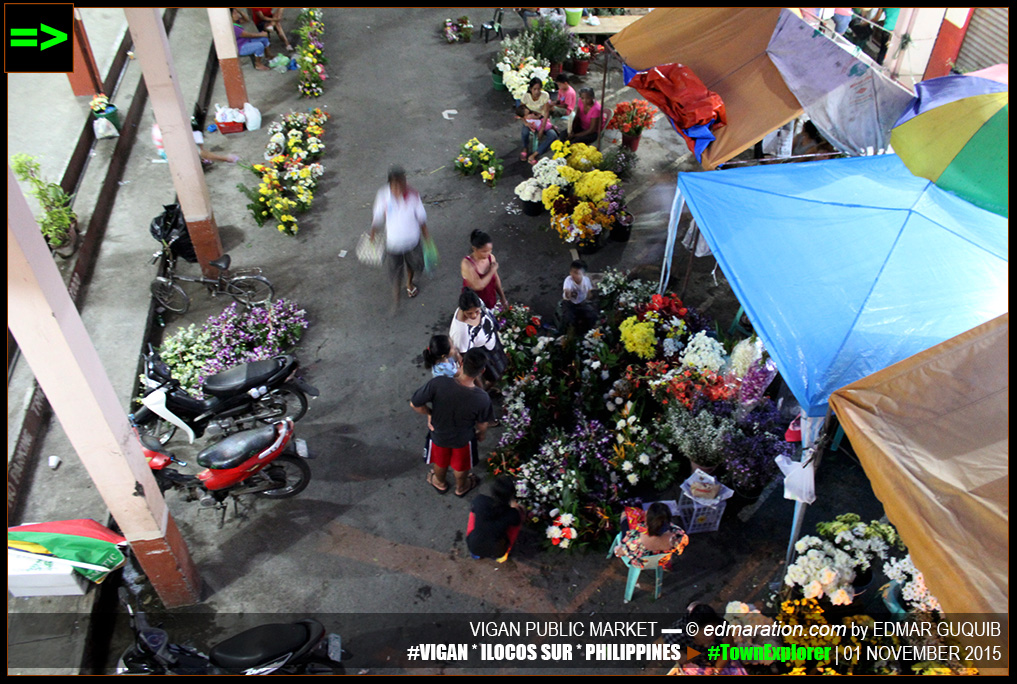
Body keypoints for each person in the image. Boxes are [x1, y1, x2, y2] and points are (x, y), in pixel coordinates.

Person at [410, 348, 494, 497]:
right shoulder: (482, 398)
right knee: (461, 466)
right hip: (463, 439)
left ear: (460, 362)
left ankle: (439, 482)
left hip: (439, 435)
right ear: (482, 371)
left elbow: (415, 404)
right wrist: (481, 435)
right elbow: (482, 424)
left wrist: (429, 413)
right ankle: (461, 487)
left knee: (440, 462)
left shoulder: (438, 383)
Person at [370, 166, 430, 306]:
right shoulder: (383, 195)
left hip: (412, 240)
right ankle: (396, 292)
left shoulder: (413, 194)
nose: (401, 189)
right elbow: (377, 216)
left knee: (413, 265)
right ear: (390, 185)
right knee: (395, 269)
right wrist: (373, 233)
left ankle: (409, 283)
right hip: (393, 242)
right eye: (397, 186)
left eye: (403, 184)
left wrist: (426, 235)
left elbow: (421, 216)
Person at [449, 290, 507, 388]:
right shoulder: (460, 332)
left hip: (492, 342)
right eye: (469, 313)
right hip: (483, 353)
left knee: (502, 364)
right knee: (493, 374)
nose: (474, 316)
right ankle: (491, 384)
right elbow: (467, 359)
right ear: (462, 310)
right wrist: (480, 386)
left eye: (477, 311)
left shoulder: (479, 302)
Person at [614, 502, 689, 571]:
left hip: (642, 563)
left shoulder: (636, 539)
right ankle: (665, 565)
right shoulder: (678, 535)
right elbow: (680, 549)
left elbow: (620, 552)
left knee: (625, 515)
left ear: (647, 520)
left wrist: (618, 549)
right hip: (662, 561)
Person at [467, 476, 525, 562]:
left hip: (474, 545)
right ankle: (499, 557)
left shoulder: (480, 501)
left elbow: (475, 510)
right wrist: (518, 509)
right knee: (519, 517)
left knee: (473, 513)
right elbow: (517, 522)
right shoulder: (512, 513)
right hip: (497, 550)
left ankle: (476, 555)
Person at [461, 229, 508, 310]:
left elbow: (496, 279)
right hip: (474, 304)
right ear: (474, 249)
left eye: (490, 250)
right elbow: (479, 285)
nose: (488, 253)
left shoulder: (491, 258)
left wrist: (503, 298)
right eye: (484, 251)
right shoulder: (467, 264)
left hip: (490, 298)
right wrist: (492, 271)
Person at [558, 259, 597, 332]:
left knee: (593, 315)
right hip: (569, 303)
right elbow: (567, 292)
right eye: (572, 272)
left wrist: (590, 296)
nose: (573, 275)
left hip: (582, 303)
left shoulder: (586, 280)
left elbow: (589, 293)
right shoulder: (568, 280)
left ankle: (589, 331)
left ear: (583, 274)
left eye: (576, 273)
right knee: (569, 319)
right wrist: (568, 293)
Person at [519, 77, 551, 163]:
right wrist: (525, 123)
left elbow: (546, 113)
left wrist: (541, 129)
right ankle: (525, 147)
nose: (537, 92)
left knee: (553, 135)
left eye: (539, 89)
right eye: (534, 89)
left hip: (541, 120)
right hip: (529, 120)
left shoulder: (545, 96)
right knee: (525, 132)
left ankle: (535, 154)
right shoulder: (526, 97)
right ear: (530, 89)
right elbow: (521, 111)